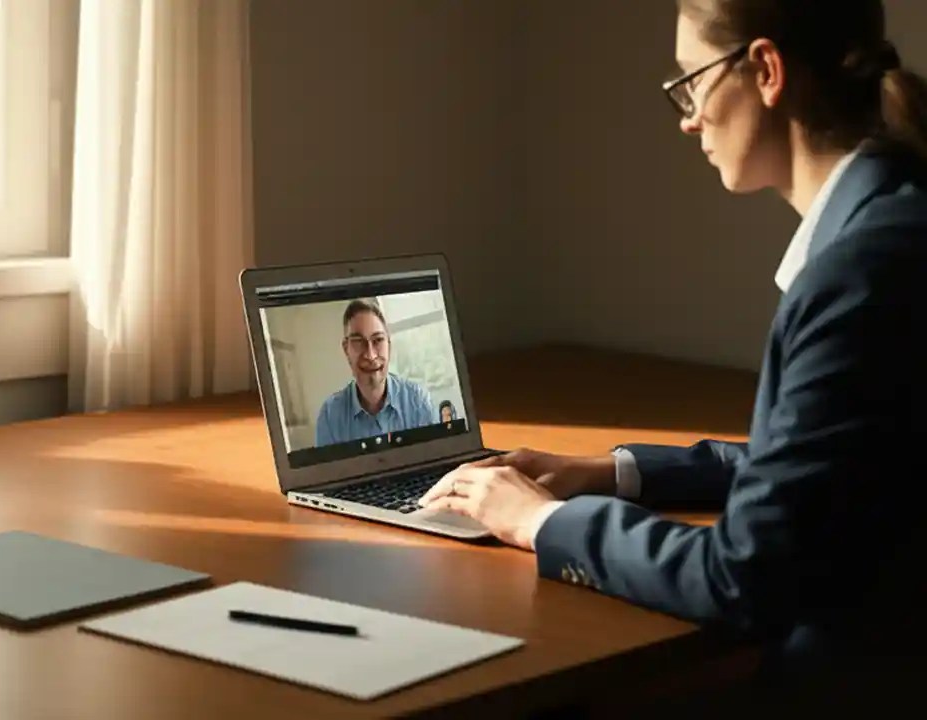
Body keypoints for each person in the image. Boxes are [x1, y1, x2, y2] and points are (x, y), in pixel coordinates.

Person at [419, 0, 927, 707]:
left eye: (694, 80)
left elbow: (741, 577)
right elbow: (826, 469)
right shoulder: (899, 217)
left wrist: (539, 522)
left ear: (767, 71)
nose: (689, 118)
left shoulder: (859, 275)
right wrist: (611, 472)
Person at [314, 299, 436, 446]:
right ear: (346, 349)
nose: (370, 355)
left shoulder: (418, 402)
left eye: (378, 340)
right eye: (358, 341)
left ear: (389, 346)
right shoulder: (329, 416)